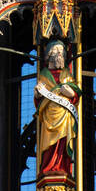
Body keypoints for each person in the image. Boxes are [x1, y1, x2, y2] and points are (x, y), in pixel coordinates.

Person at [35, 41, 81, 177]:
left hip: (64, 115)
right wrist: (37, 93)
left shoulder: (66, 73)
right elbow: (39, 96)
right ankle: (49, 167)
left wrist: (71, 92)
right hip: (49, 116)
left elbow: (75, 92)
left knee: (62, 143)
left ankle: (63, 166)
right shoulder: (43, 74)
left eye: (62, 52)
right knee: (49, 145)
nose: (60, 54)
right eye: (56, 51)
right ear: (49, 54)